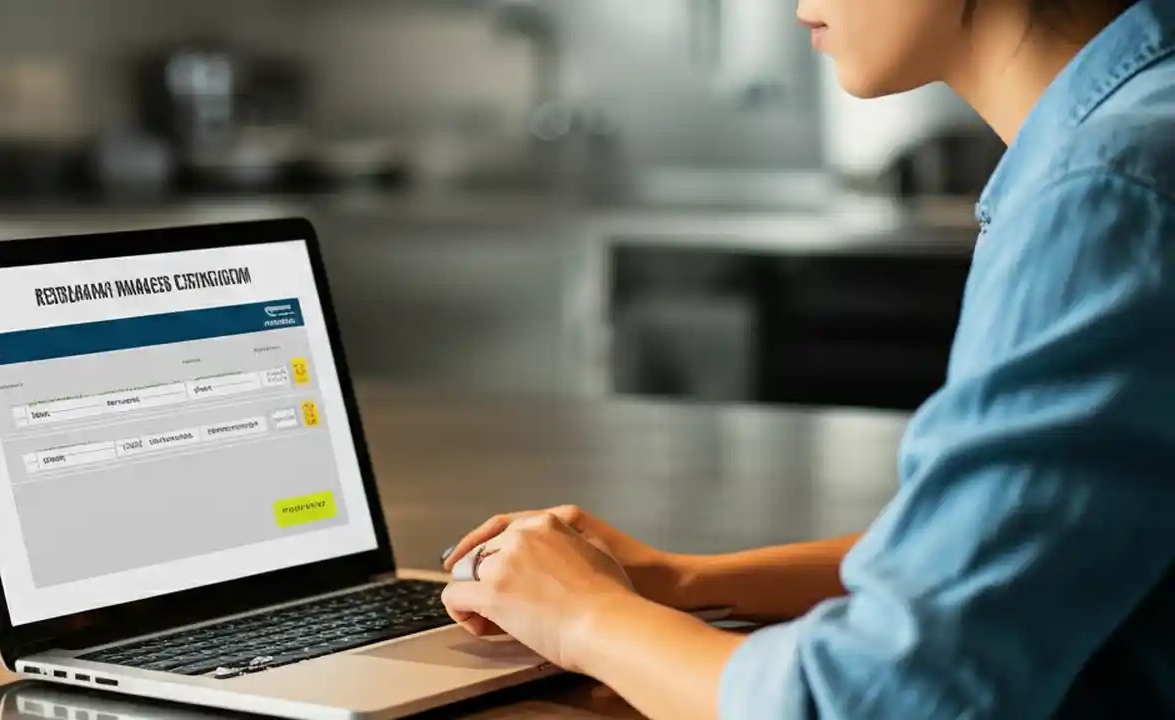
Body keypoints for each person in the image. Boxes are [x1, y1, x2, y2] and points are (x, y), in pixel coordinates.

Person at [438, 0, 1175, 717]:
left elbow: (877, 699)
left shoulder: (1107, 190)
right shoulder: (1139, 127)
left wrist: (584, 618)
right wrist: (686, 580)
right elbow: (1034, 548)